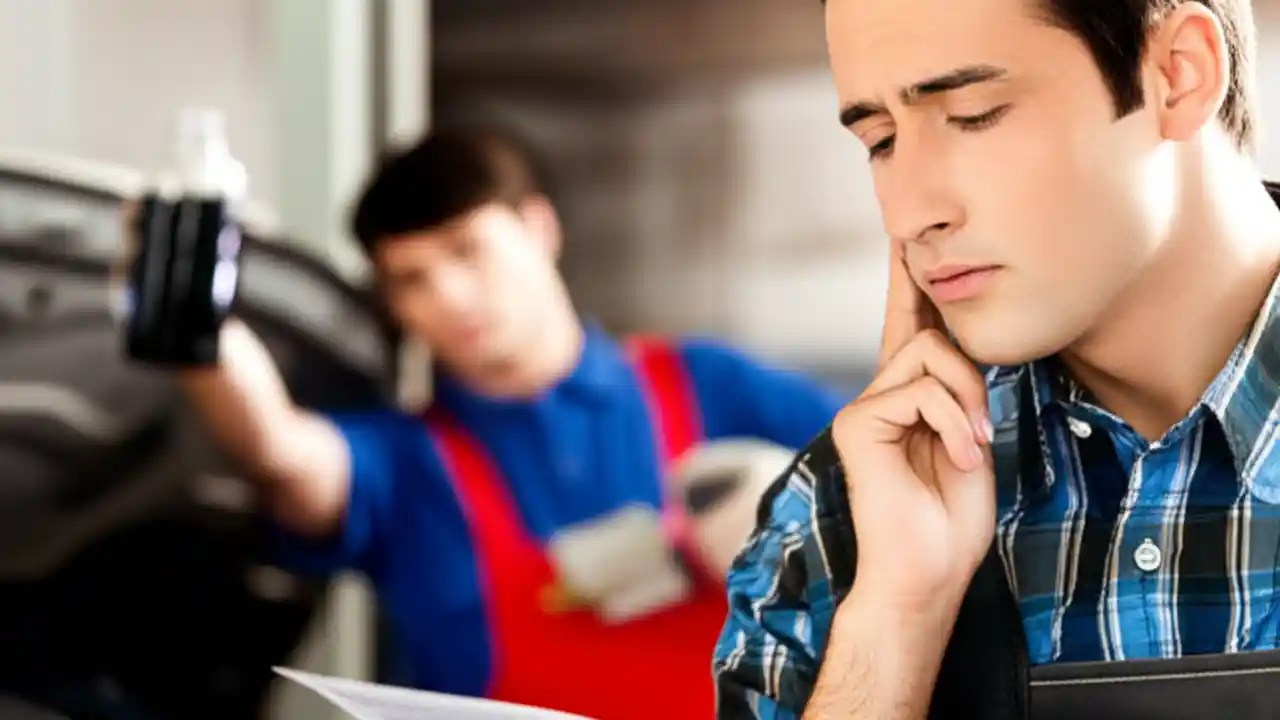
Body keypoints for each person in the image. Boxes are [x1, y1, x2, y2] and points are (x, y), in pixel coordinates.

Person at [713, 0, 1280, 717]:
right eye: (881, 141)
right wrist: (899, 618)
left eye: (975, 114)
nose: (908, 212)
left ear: (1178, 74)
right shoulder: (832, 524)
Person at [174, 128, 844, 719]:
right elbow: (276, 449)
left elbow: (891, 473)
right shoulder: (404, 465)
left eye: (468, 252)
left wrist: (790, 530)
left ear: (539, 228)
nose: (450, 297)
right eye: (412, 280)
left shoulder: (708, 385)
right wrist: (191, 325)